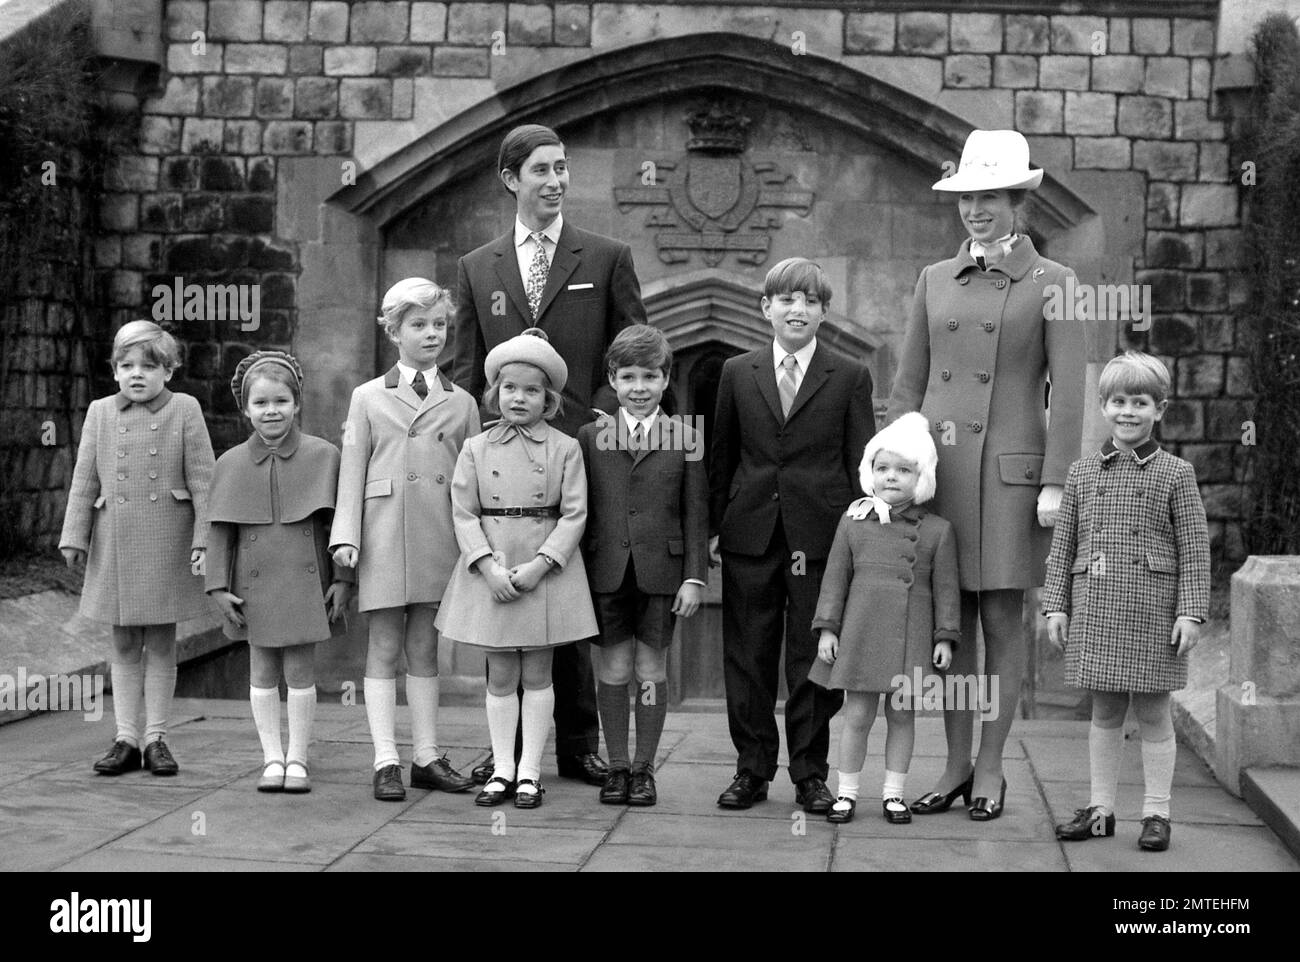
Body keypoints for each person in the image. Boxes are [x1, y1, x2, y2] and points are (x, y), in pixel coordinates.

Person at [887, 129, 1085, 820]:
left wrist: (1056, 480)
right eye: (967, 198)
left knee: (1001, 621)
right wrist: (888, 473)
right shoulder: (933, 280)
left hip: (1008, 482)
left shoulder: (1055, 284)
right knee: (948, 626)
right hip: (939, 478)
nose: (976, 210)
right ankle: (954, 762)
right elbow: (907, 384)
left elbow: (1069, 389)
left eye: (990, 198)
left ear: (1017, 202)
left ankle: (993, 766)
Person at [450, 123, 648, 786]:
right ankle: (504, 751)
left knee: (571, 589)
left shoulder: (606, 256)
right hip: (505, 462)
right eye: (542, 170)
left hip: (583, 453)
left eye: (562, 168)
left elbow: (633, 351)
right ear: (511, 179)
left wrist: (601, 419)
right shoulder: (478, 267)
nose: (556, 181)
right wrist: (486, 440)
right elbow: (467, 366)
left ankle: (579, 741)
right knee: (507, 589)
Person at [709, 257, 876, 812]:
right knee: (748, 655)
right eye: (785, 299)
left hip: (821, 538)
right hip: (750, 533)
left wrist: (861, 538)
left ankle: (809, 773)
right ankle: (751, 770)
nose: (796, 309)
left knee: (813, 656)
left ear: (824, 311)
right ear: (766, 308)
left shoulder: (849, 375)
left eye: (808, 300)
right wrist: (713, 526)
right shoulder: (737, 372)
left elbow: (862, 464)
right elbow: (722, 457)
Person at [1044, 352, 1209, 852]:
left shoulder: (1177, 473)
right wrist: (1056, 604)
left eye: (1140, 402)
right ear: (1103, 406)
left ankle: (1157, 813)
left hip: (1154, 610)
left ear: (1159, 409)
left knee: (1155, 712)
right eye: (1119, 401)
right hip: (1096, 606)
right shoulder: (1081, 473)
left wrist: (1190, 611)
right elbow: (1064, 542)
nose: (1128, 412)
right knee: (1106, 710)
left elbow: (1195, 548)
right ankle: (1101, 810)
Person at [330, 278, 480, 801]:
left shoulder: (462, 402)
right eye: (419, 325)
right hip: (383, 534)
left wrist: (475, 545)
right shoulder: (367, 397)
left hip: (439, 534)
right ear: (394, 331)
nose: (432, 334)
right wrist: (345, 538)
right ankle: (384, 759)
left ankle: (426, 755)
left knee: (425, 646)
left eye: (439, 324)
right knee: (384, 645)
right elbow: (352, 469)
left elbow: (471, 479)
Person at [437, 329, 599, 810]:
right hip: (493, 564)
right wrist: (486, 566)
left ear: (548, 399)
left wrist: (542, 565)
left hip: (543, 568)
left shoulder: (565, 447)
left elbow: (575, 513)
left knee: (539, 673)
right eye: (510, 389)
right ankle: (502, 768)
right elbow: (463, 511)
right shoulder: (476, 447)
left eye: (531, 390)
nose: (519, 398)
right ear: (495, 393)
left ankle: (530, 771)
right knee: (501, 673)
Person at [59, 320, 215, 777]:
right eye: (126, 365)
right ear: (114, 371)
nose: (137, 374)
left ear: (169, 370)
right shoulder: (100, 412)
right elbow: (84, 478)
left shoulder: (185, 409)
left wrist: (204, 539)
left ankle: (157, 738)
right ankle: (126, 737)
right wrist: (74, 535)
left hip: (167, 538)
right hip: (115, 539)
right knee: (124, 640)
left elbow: (205, 482)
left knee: (163, 641)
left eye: (149, 365)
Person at [206, 352, 353, 794]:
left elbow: (339, 526)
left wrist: (344, 581)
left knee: (301, 672)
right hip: (252, 587)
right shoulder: (229, 464)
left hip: (306, 583)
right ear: (245, 409)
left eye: (282, 401)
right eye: (261, 403)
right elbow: (219, 532)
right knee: (262, 671)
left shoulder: (324, 456)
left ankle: (299, 758)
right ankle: (272, 757)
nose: (272, 411)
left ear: (297, 403)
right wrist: (216, 587)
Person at [576, 325, 708, 807]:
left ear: (666, 379)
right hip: (605, 570)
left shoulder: (685, 436)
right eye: (628, 376)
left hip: (663, 573)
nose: (638, 387)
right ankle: (615, 767)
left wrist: (695, 576)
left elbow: (697, 512)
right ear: (612, 379)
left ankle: (644, 769)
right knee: (612, 667)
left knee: (650, 668)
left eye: (649, 377)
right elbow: (581, 508)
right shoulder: (591, 436)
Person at [811, 412, 960, 824]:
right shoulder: (853, 522)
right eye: (882, 468)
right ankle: (846, 793)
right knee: (856, 714)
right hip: (860, 633)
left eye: (903, 470)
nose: (891, 477)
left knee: (901, 715)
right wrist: (827, 629)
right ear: (869, 473)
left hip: (910, 635)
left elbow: (947, 591)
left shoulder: (938, 531)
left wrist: (944, 637)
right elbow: (834, 580)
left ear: (922, 478)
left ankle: (894, 794)